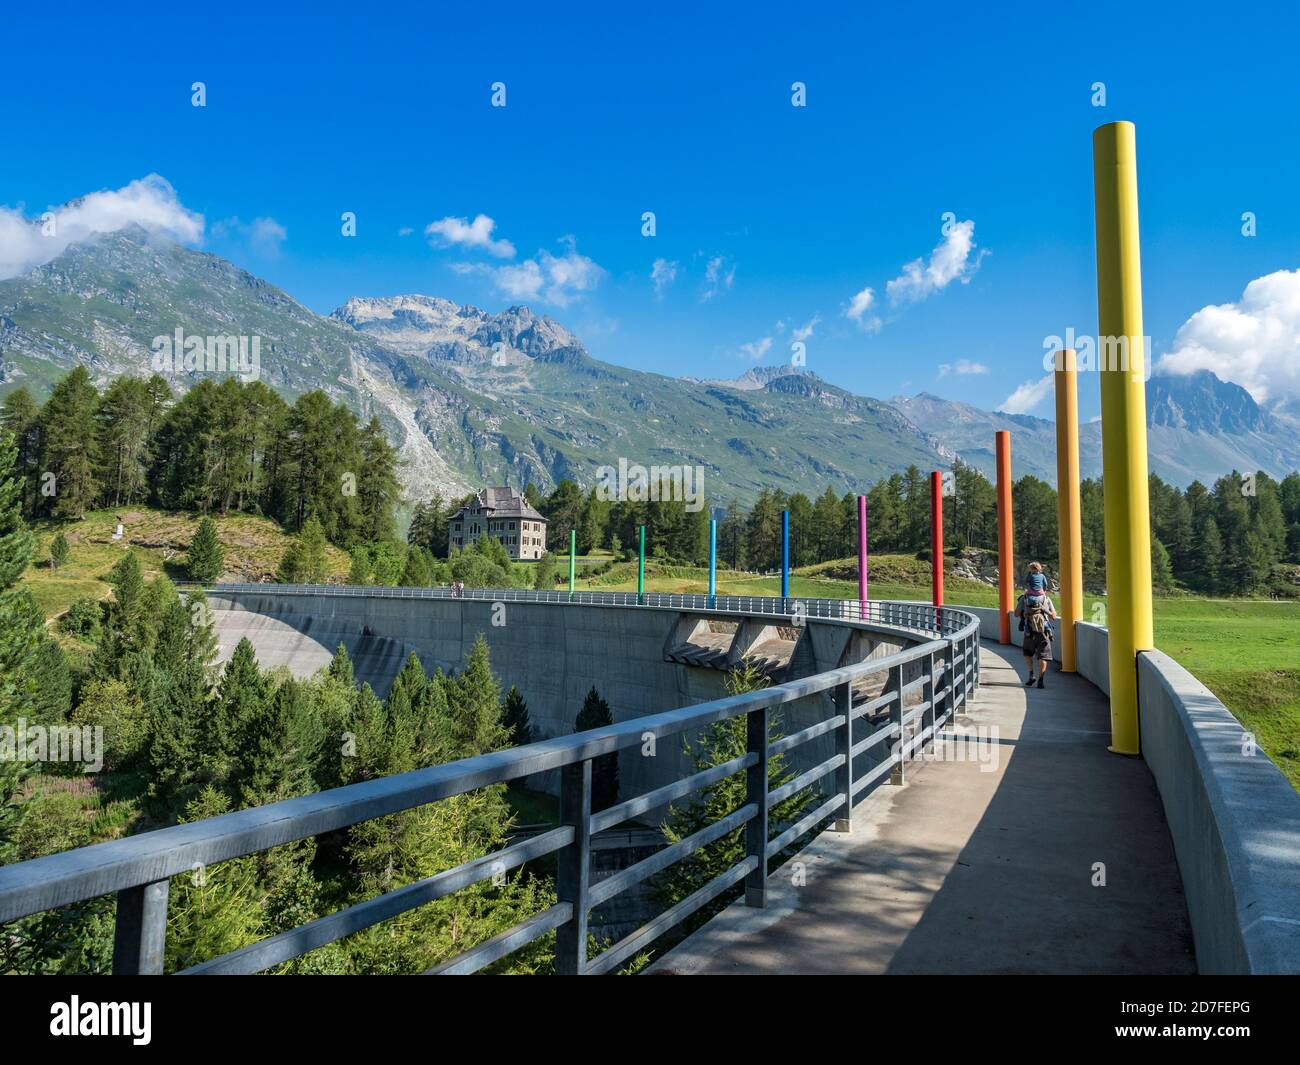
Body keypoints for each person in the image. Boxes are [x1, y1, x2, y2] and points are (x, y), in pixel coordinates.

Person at [1014, 585, 1057, 689]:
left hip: (1029, 631)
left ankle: (1031, 674)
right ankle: (1041, 680)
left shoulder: (1025, 598)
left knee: (1027, 653)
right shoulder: (1046, 599)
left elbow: (1016, 614)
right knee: (1043, 656)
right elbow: (1054, 617)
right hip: (1043, 631)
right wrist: (1044, 610)